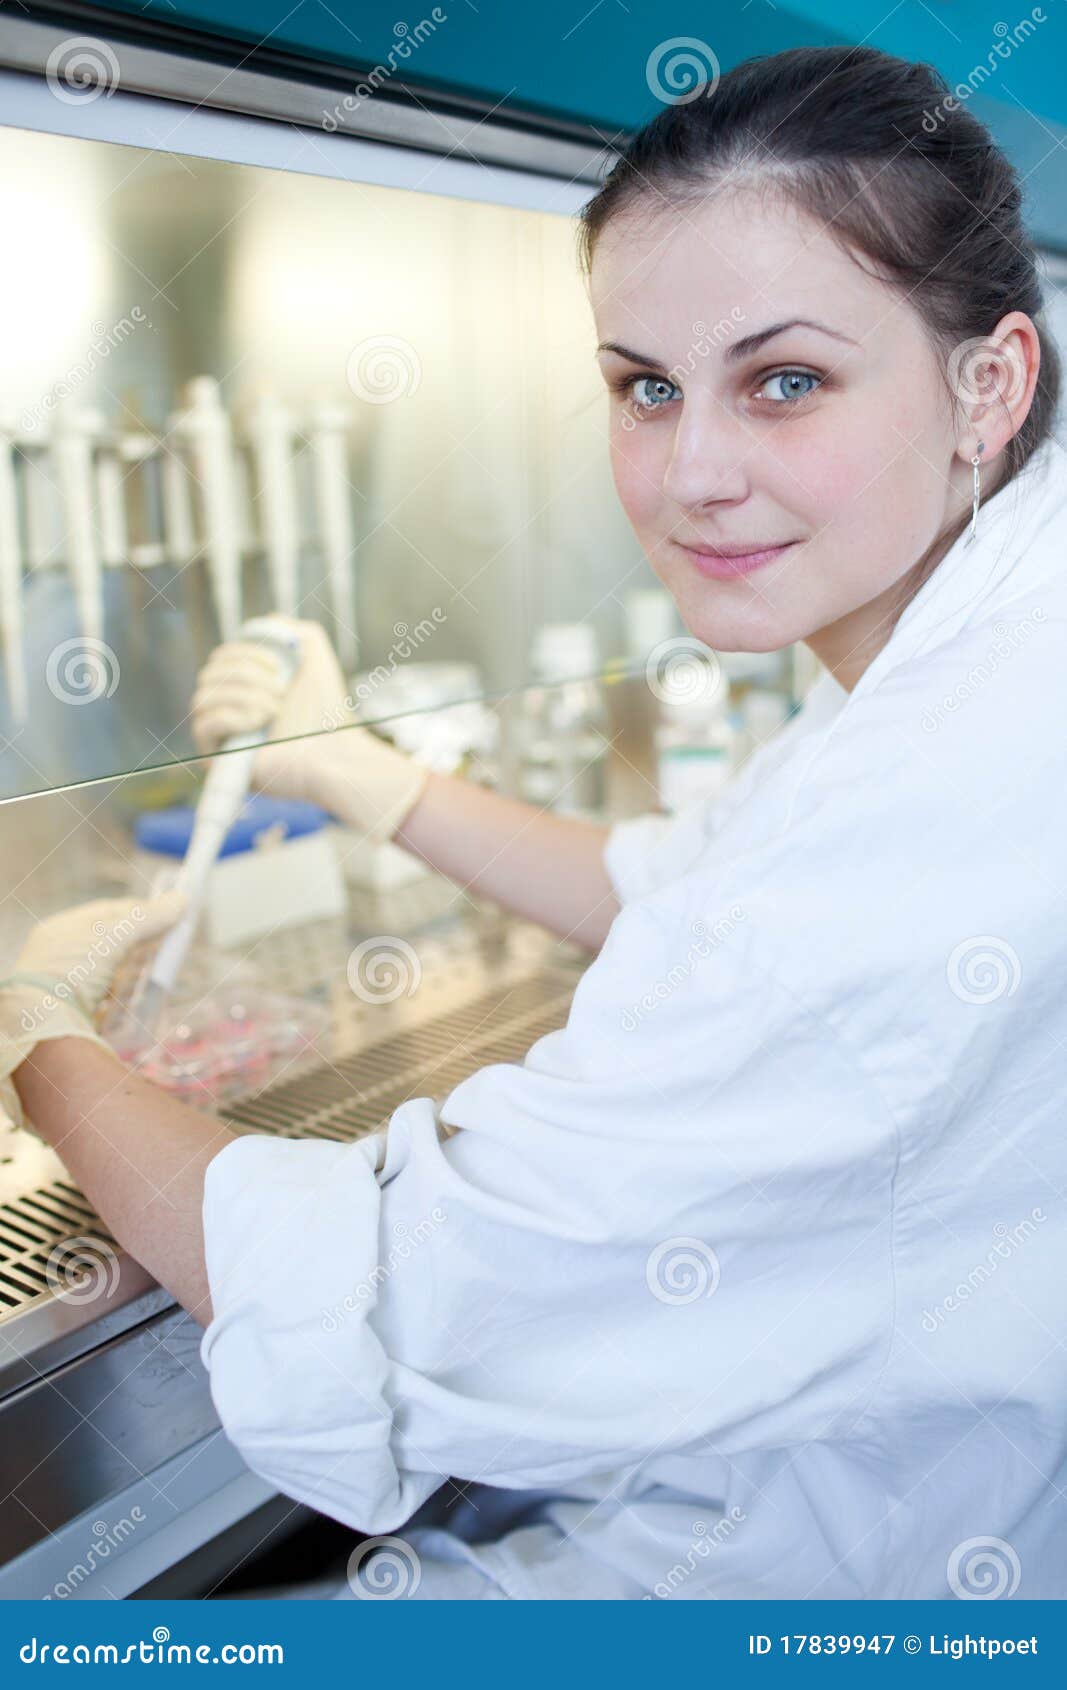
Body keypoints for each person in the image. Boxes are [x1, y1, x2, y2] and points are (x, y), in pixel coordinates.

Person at [2, 42, 1066, 1600]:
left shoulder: (947, 785)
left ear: (991, 382)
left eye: (786, 380)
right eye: (645, 387)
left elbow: (387, 1295)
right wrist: (373, 777)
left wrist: (41, 1038)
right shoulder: (983, 631)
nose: (693, 473)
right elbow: (685, 885)